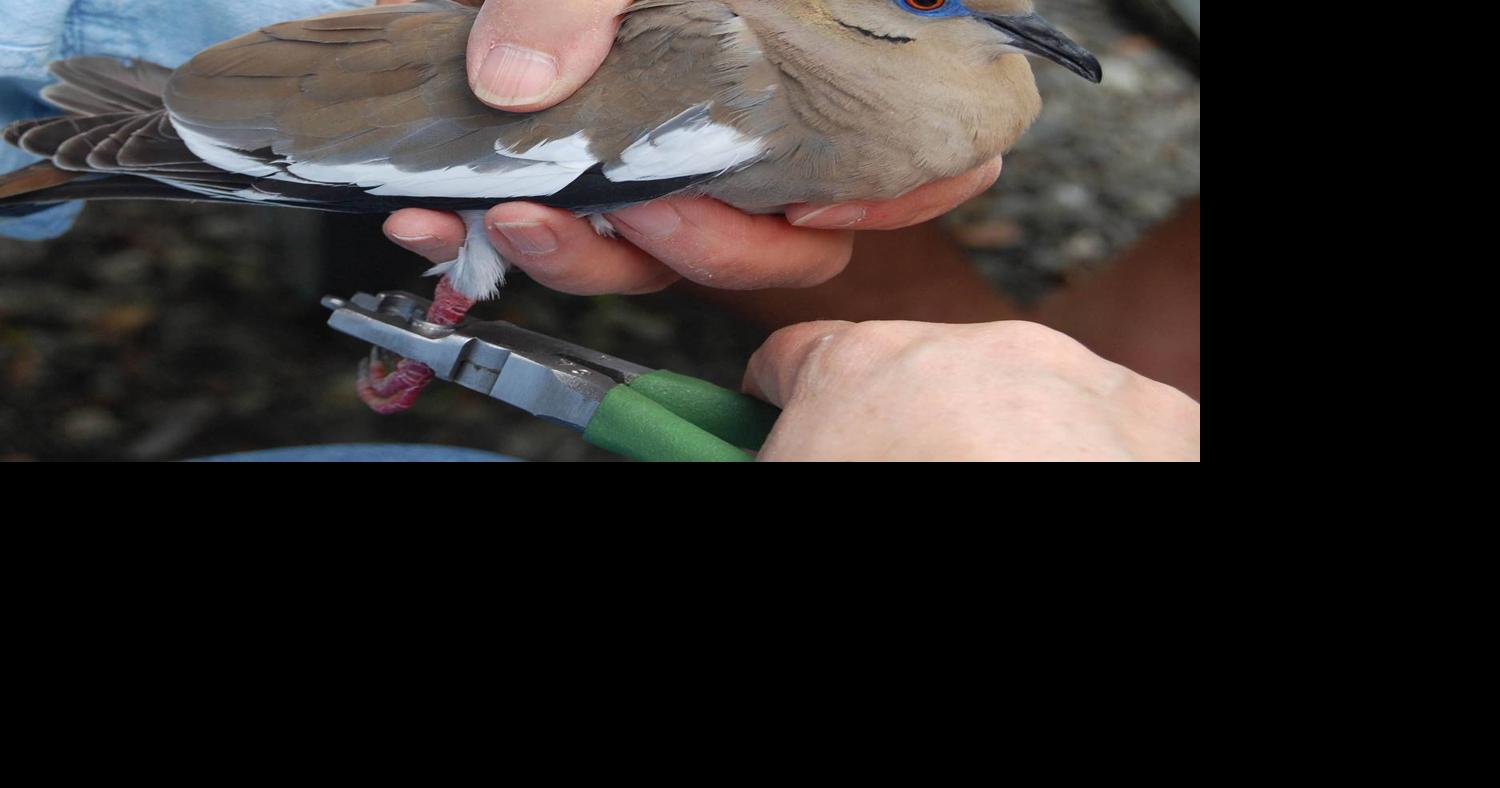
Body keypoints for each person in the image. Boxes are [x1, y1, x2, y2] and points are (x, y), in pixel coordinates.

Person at [0, 0, 1200, 461]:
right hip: (334, 121)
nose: (1024, 30)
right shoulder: (739, 69)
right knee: (504, 220)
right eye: (942, 1)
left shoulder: (941, 67)